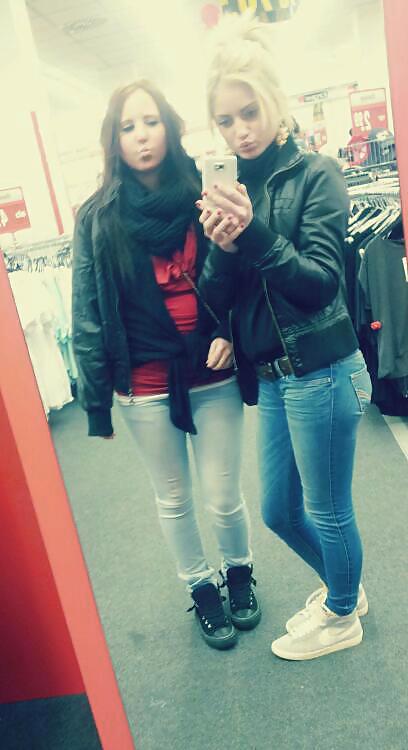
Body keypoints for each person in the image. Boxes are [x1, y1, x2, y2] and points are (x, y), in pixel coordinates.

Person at [197, 13, 372, 661]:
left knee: (326, 509)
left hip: (321, 369)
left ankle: (343, 614)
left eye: (250, 112)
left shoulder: (317, 174)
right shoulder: (230, 186)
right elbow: (217, 298)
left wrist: (254, 234)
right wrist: (223, 246)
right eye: (225, 120)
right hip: (271, 376)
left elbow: (320, 285)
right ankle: (345, 588)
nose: (240, 130)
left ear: (275, 101)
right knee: (277, 510)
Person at [72, 79, 261, 651]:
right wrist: (96, 402)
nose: (141, 136)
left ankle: (239, 572)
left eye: (150, 121)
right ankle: (201, 587)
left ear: (170, 126)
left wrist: (229, 332)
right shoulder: (97, 217)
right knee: (173, 498)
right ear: (114, 139)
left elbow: (242, 277)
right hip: (146, 382)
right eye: (128, 126)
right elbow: (87, 310)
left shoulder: (207, 195)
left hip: (213, 373)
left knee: (223, 496)